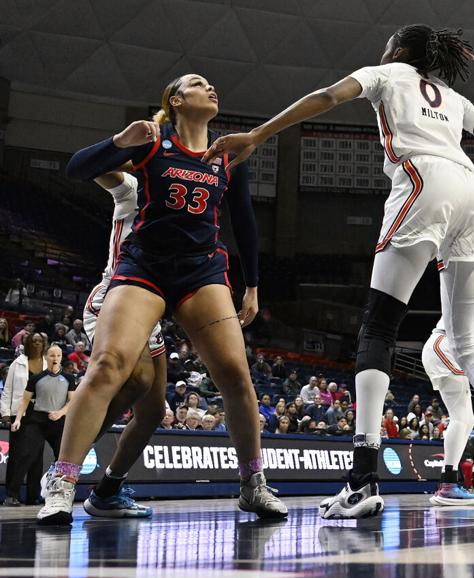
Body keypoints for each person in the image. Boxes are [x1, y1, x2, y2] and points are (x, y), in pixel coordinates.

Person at [203, 25, 474, 519]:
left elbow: (326, 96)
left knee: (379, 326)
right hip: (473, 192)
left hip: (422, 179)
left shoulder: (385, 73)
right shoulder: (451, 96)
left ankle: (362, 479)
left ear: (401, 51)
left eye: (390, 43)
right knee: (466, 341)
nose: (383, 49)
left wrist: (258, 134)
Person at [43, 73, 287, 525]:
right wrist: (120, 140)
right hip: (145, 266)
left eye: (214, 83)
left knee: (235, 373)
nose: (212, 87)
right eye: (199, 83)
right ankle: (61, 482)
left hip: (202, 269)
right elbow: (76, 168)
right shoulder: (153, 142)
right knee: (109, 364)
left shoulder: (228, 153)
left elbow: (245, 222)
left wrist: (252, 284)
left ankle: (253, 484)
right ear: (176, 100)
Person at [70, 169, 173, 519]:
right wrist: (124, 145)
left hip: (151, 309)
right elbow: (92, 165)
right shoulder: (133, 187)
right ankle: (64, 469)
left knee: (154, 411)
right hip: (115, 298)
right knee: (137, 379)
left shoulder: (182, 203)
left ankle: (108, 489)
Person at [422, 256, 474, 507]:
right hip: (444, 344)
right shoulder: (468, 286)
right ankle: (448, 484)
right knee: (461, 418)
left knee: (466, 420)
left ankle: (449, 482)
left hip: (446, 346)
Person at [10, 345, 75, 498]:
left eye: (58, 355)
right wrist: (18, 419)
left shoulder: (69, 378)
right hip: (37, 420)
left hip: (58, 421)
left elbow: (72, 402)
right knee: (27, 454)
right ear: (46, 357)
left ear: (61, 358)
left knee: (62, 456)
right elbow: (25, 400)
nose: (55, 358)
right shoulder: (36, 378)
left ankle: (62, 492)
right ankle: (12, 494)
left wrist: (60, 413)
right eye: (52, 355)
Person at [3, 332, 47, 504]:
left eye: (40, 341)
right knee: (18, 454)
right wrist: (5, 412)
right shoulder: (18, 363)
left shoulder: (47, 364)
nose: (37, 344)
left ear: (44, 344)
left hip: (41, 412)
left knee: (37, 456)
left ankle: (33, 495)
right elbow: (8, 390)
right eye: (33, 341)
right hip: (19, 412)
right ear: (28, 343)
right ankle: (11, 495)